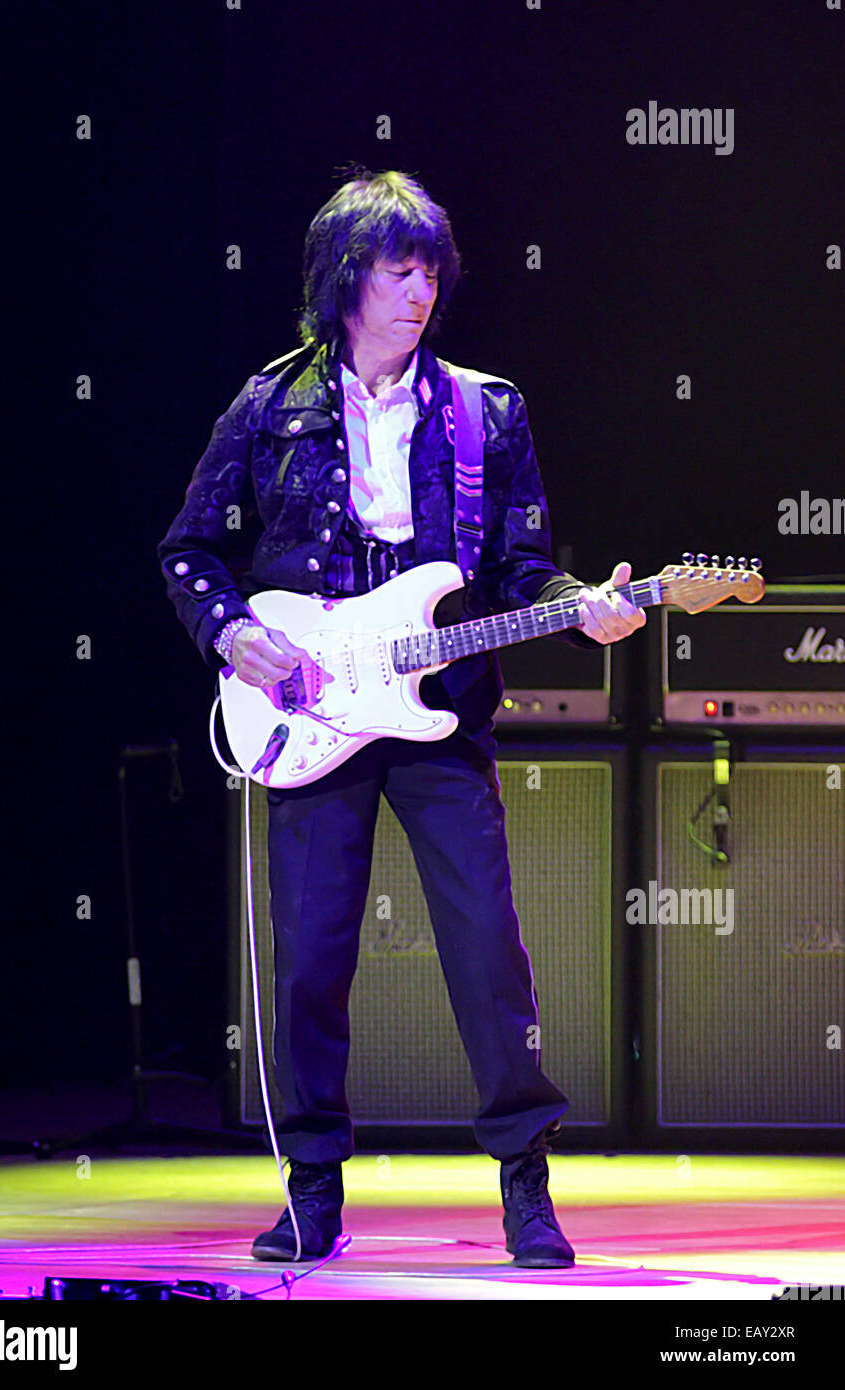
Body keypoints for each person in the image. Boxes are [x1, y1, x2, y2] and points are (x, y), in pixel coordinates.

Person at [157, 168, 644, 1269]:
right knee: (312, 957)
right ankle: (313, 1188)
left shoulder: (488, 410)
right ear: (345, 278)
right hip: (309, 706)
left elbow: (519, 567)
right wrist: (236, 634)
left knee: (487, 952)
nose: (417, 290)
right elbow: (186, 550)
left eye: (429, 269)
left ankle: (527, 1185)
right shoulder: (266, 404)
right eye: (394, 268)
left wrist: (586, 611)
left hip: (439, 711)